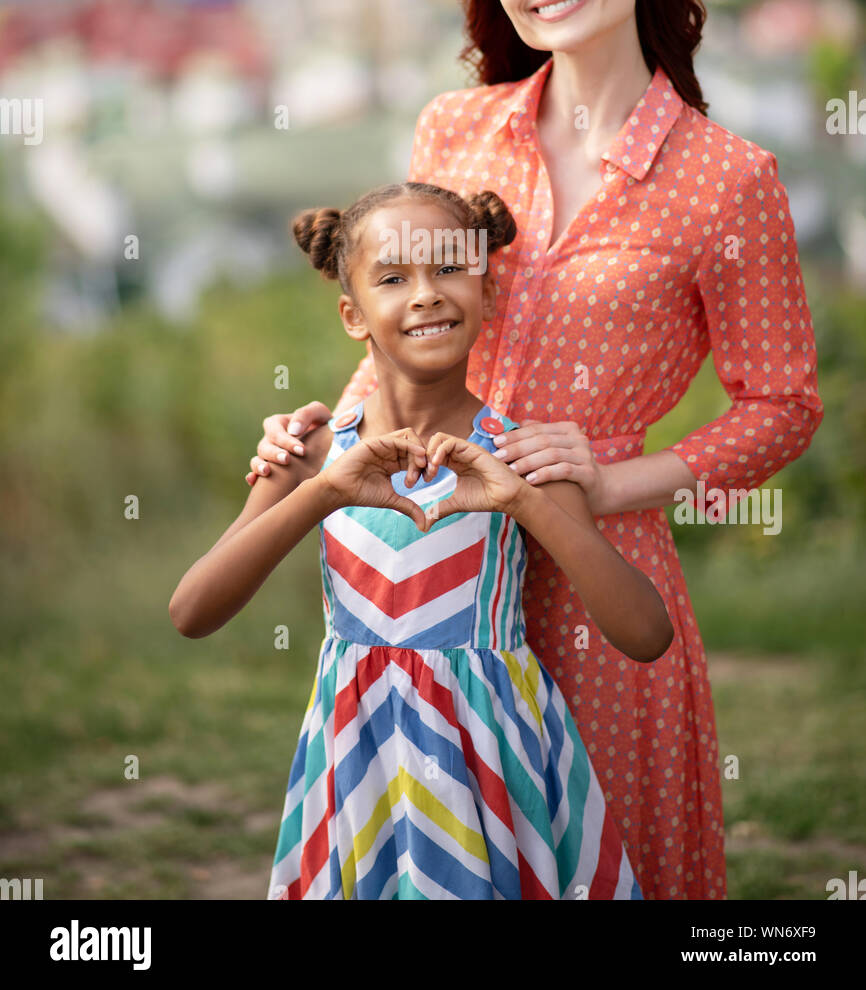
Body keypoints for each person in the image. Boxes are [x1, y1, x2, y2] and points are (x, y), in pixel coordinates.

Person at [245, 0, 824, 899]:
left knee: (597, 864)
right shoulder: (455, 127)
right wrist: (322, 436)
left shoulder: (726, 180)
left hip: (603, 573)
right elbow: (405, 335)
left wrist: (613, 480)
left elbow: (780, 405)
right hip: (440, 571)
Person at [170, 181, 674, 899]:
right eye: (394, 277)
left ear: (487, 292)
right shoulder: (313, 454)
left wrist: (525, 502)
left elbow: (646, 634)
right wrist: (321, 493)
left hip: (492, 766)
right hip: (359, 759)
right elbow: (192, 611)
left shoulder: (526, 457)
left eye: (448, 268)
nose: (427, 294)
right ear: (353, 314)